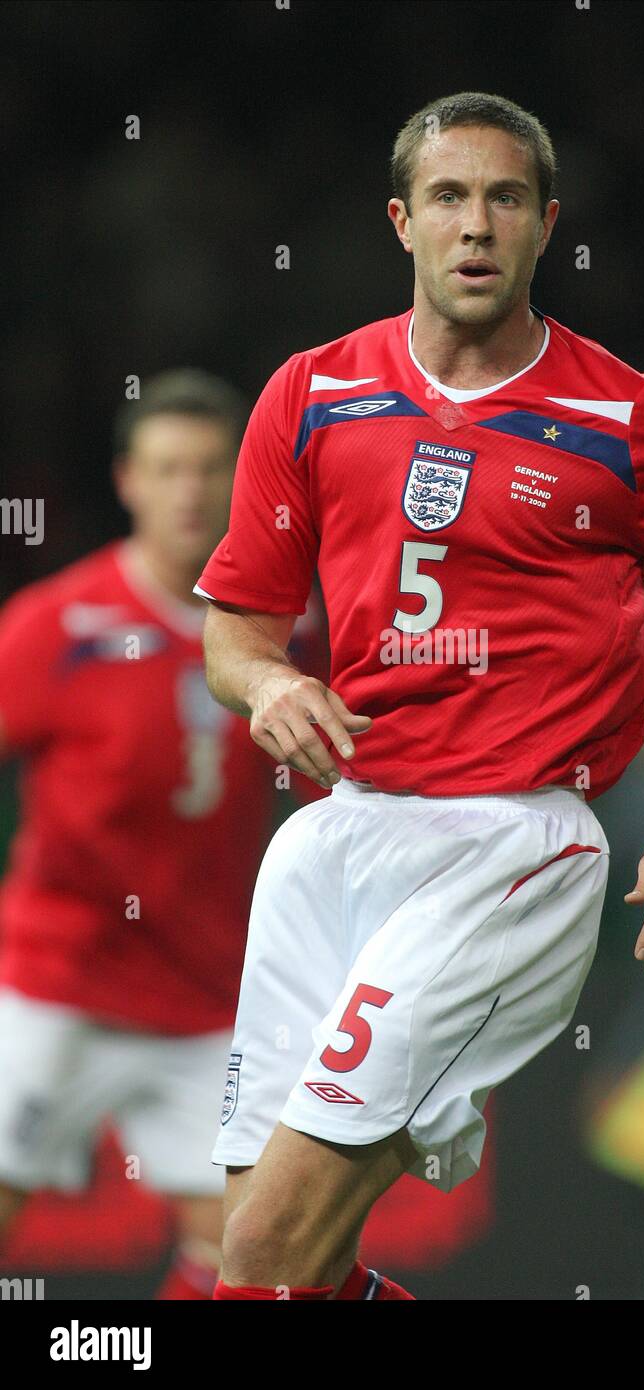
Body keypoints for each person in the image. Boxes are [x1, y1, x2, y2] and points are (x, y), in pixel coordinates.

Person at [195, 92, 644, 1301]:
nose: (473, 224)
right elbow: (235, 629)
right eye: (446, 197)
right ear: (401, 221)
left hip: (511, 842)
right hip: (332, 838)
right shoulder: (310, 394)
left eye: (501, 199)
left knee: (266, 1250)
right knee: (270, 1263)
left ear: (544, 225)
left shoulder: (632, 413)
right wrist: (268, 679)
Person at [0, 370, 277, 1298]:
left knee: (252, 1257)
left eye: (209, 467)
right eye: (167, 468)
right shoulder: (57, 626)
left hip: (204, 996)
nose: (189, 491)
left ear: (243, 479)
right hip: (56, 984)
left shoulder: (281, 631)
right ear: (127, 481)